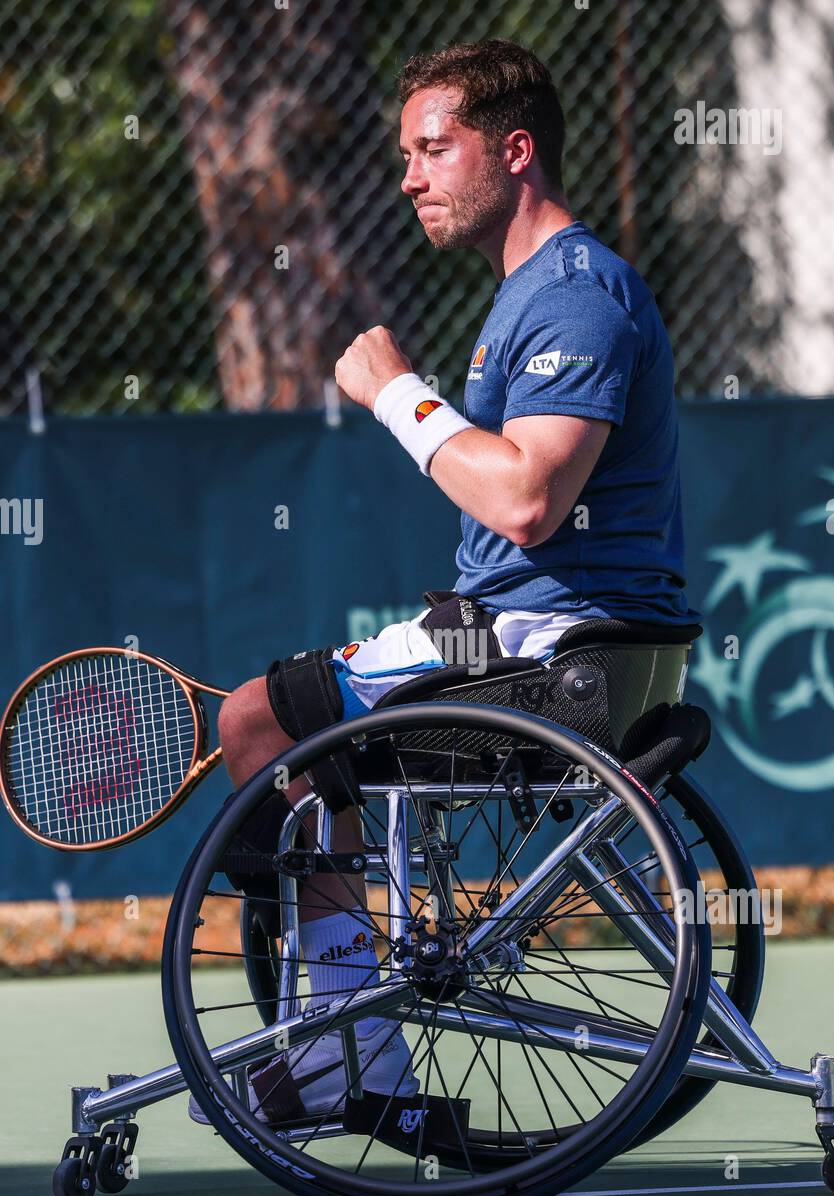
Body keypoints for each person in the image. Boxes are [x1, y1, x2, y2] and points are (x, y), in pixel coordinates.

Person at [191, 37, 700, 1125]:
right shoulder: (533, 294)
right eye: (407, 154)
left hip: (550, 659)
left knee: (255, 722)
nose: (410, 177)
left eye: (433, 150)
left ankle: (344, 1055)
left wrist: (394, 394)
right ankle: (347, 1045)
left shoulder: (573, 295)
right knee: (285, 711)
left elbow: (524, 501)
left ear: (513, 152)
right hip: (536, 641)